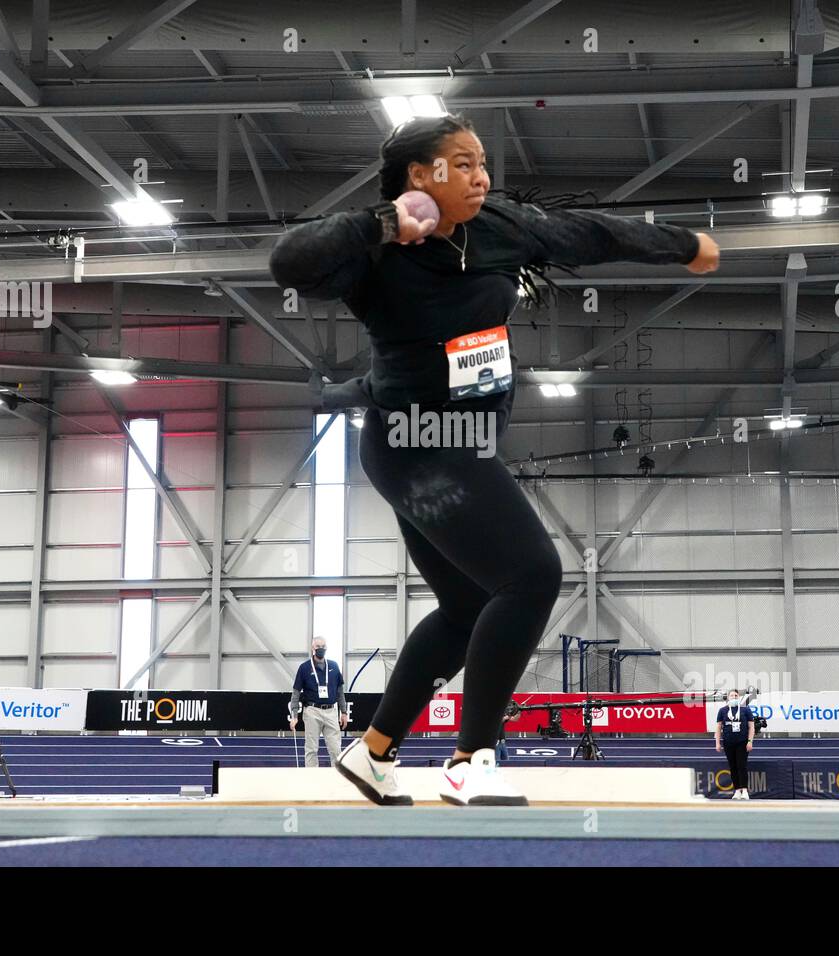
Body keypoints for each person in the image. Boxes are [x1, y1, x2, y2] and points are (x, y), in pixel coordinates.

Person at [270, 112, 719, 807]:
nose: (482, 177)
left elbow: (593, 234)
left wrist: (681, 243)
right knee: (534, 572)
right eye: (463, 163)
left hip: (460, 443)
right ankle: (472, 756)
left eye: (484, 162)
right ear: (420, 177)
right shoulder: (378, 252)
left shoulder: (500, 228)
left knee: (468, 605)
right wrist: (384, 223)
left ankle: (376, 752)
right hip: (416, 441)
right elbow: (289, 262)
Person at [287, 637, 348, 767]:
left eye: (323, 646)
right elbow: (296, 693)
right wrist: (294, 716)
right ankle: (311, 780)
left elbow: (340, 692)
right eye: (318, 646)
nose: (321, 649)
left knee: (336, 749)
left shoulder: (334, 666)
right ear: (313, 648)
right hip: (312, 711)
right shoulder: (304, 668)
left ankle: (337, 778)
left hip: (331, 711)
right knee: (311, 749)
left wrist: (344, 712)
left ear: (326, 648)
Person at [714, 689, 755, 800]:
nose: (734, 697)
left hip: (742, 742)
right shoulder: (722, 710)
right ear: (728, 697)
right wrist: (717, 743)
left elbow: (751, 727)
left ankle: (745, 790)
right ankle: (737, 790)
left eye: (736, 695)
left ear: (738, 697)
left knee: (742, 766)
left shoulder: (745, 710)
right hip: (728, 742)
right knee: (733, 767)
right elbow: (718, 728)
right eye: (731, 695)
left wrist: (750, 741)